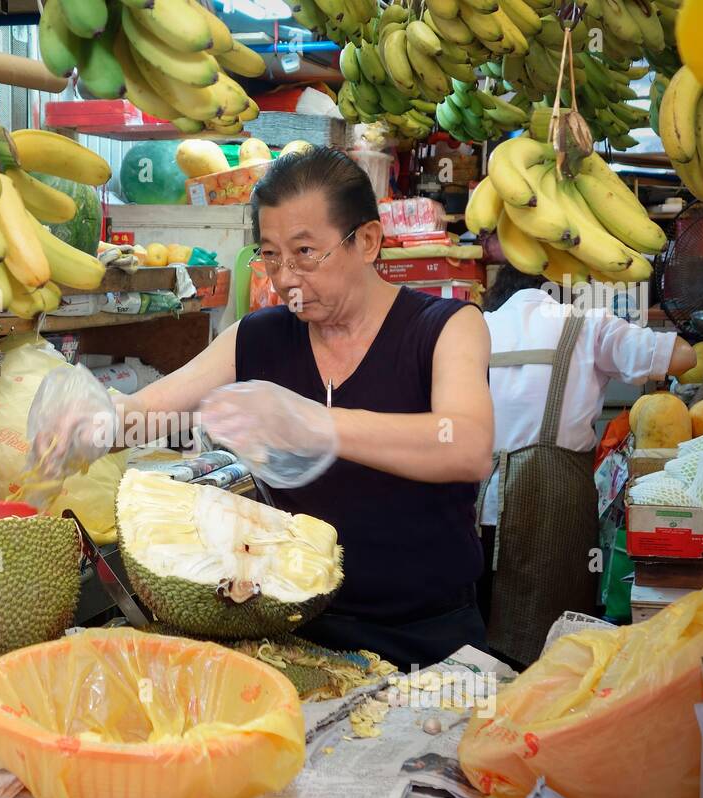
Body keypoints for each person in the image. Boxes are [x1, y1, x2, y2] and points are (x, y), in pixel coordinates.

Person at [26, 147, 494, 669]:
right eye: (270, 255)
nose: (286, 278)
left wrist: (313, 423)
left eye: (305, 252)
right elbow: (144, 413)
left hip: (430, 640)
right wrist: (89, 423)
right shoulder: (260, 337)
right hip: (294, 632)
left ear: (366, 240)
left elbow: (468, 445)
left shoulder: (445, 328)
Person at [475, 265, 696, 667]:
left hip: (476, 508)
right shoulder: (589, 324)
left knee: (479, 636)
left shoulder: (475, 326)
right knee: (552, 645)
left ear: (499, 291)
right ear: (564, 290)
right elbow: (684, 356)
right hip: (555, 509)